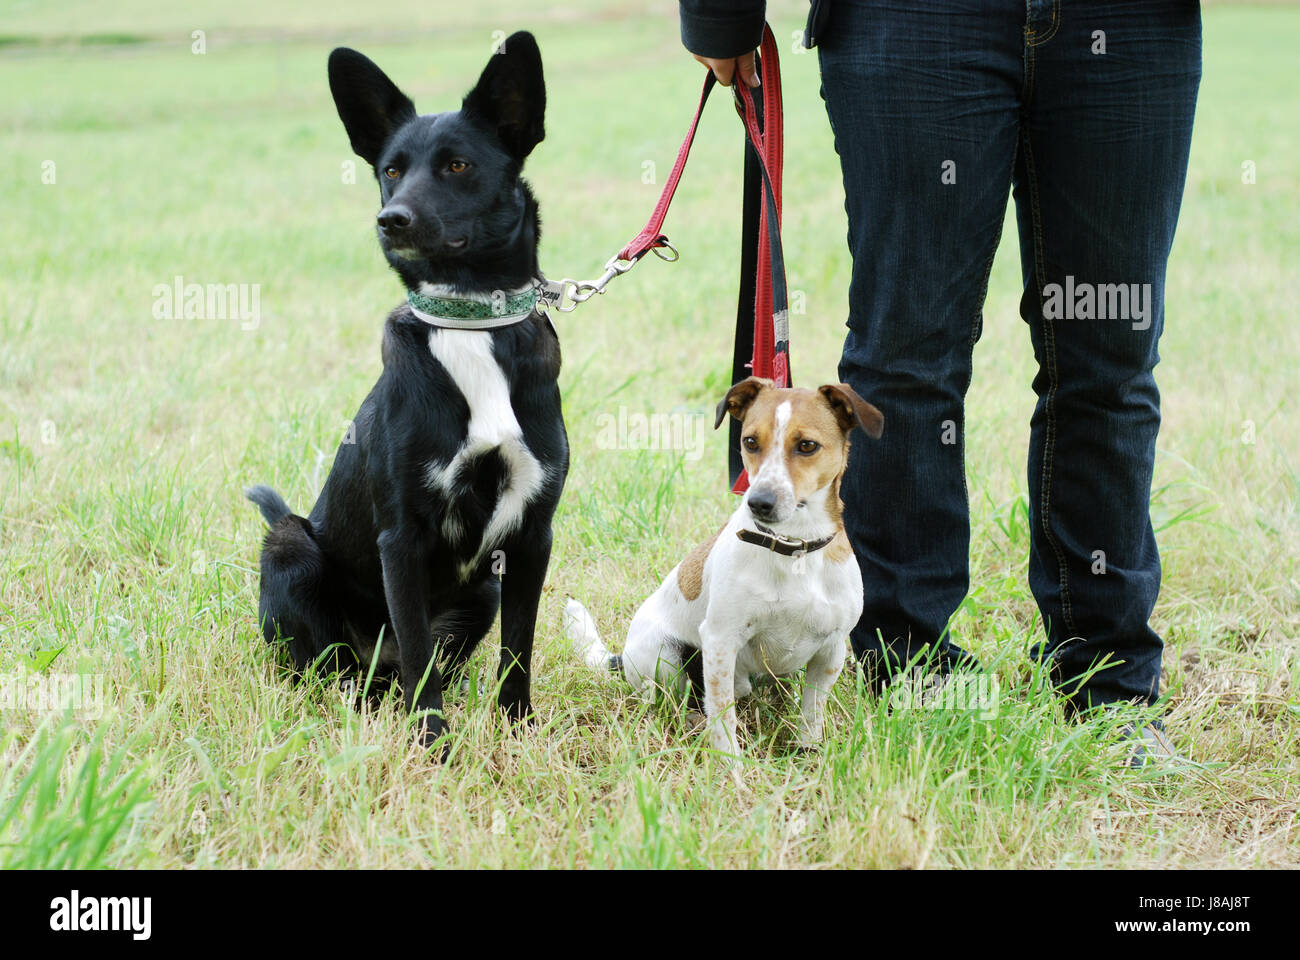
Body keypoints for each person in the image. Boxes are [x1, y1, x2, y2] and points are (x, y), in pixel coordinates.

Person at [678, 0, 1201, 763]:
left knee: (1111, 361)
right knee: (905, 361)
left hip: (1130, 24)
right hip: (912, 21)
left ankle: (1109, 680)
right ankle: (907, 664)